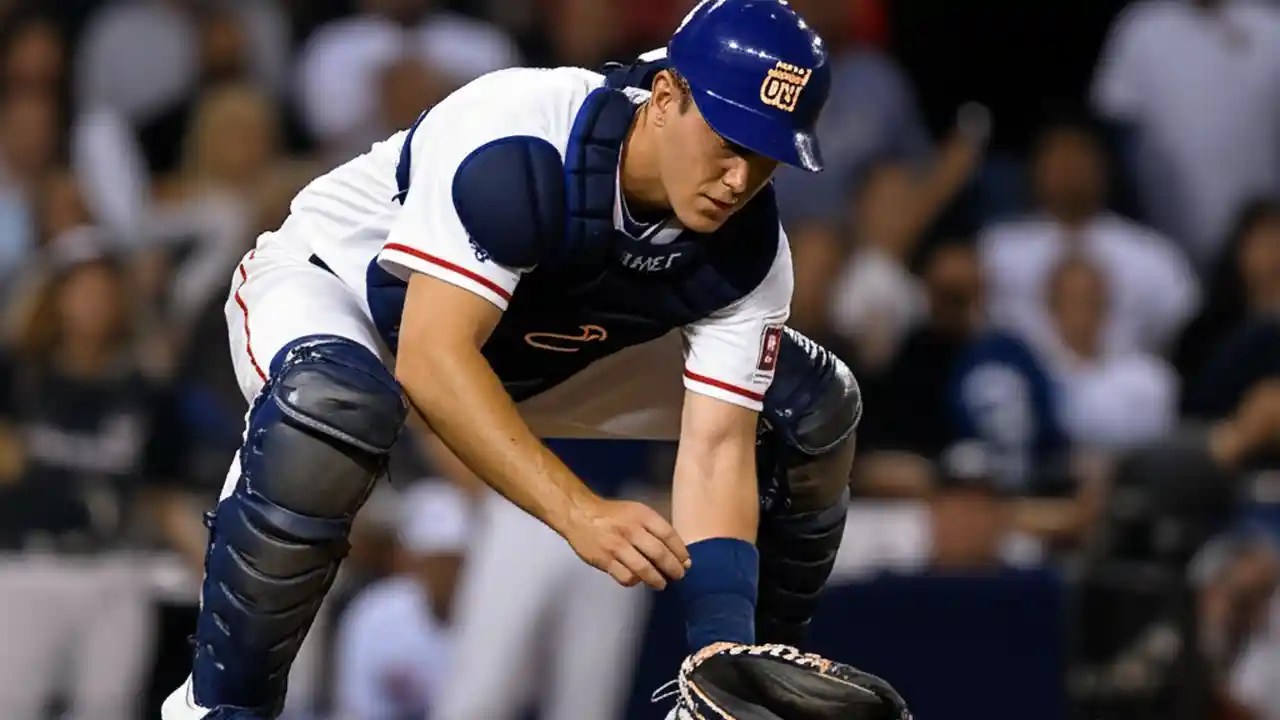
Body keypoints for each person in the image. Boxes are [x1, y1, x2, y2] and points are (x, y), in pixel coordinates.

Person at [161, 1, 905, 719]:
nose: (740, 179)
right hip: (354, 303)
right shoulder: (524, 131)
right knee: (332, 405)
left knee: (810, 405)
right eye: (730, 141)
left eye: (767, 158)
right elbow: (430, 356)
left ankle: (739, 687)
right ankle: (218, 706)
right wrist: (576, 511)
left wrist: (720, 646)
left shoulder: (751, 251)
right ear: (668, 95)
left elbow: (715, 450)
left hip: (539, 354)